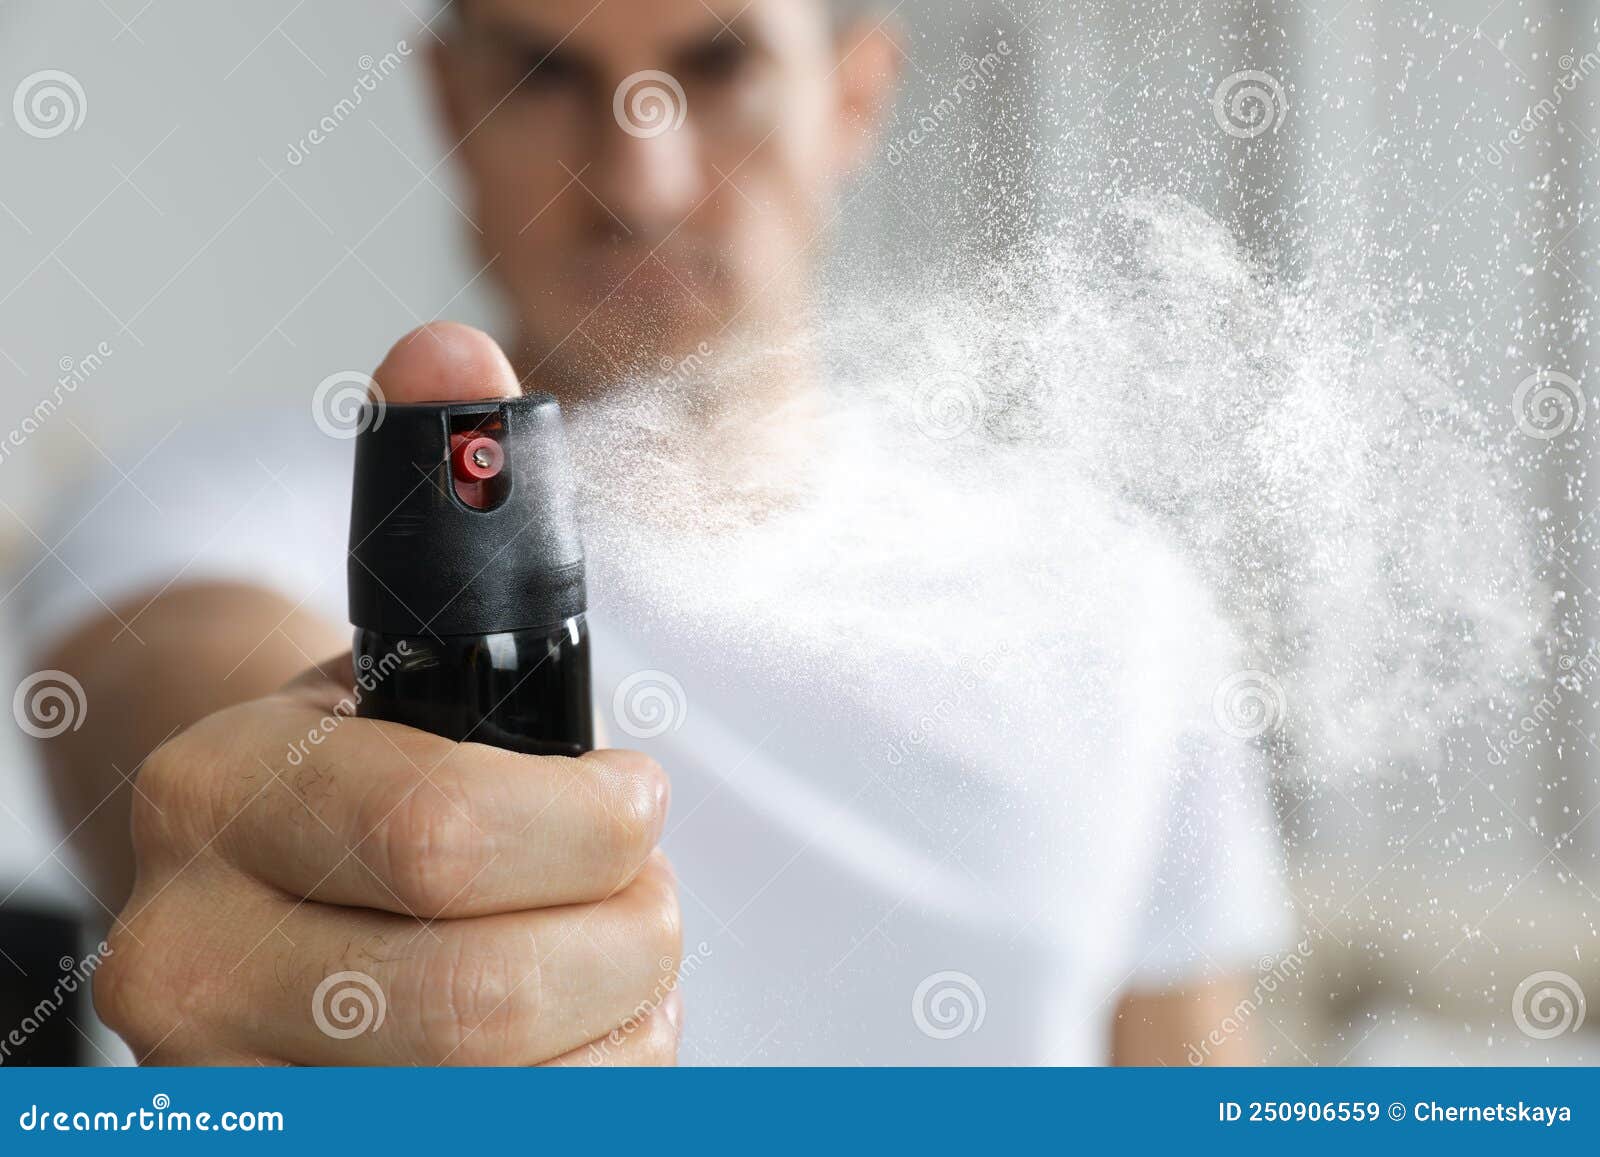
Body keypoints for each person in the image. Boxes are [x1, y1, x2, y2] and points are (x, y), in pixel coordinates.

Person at [20, 0, 1289, 1065]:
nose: (641, 180)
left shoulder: (1114, 597)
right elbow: (181, 701)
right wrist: (315, 842)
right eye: (546, 75)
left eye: (718, 65)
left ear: (849, 100)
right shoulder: (219, 496)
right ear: (454, 108)